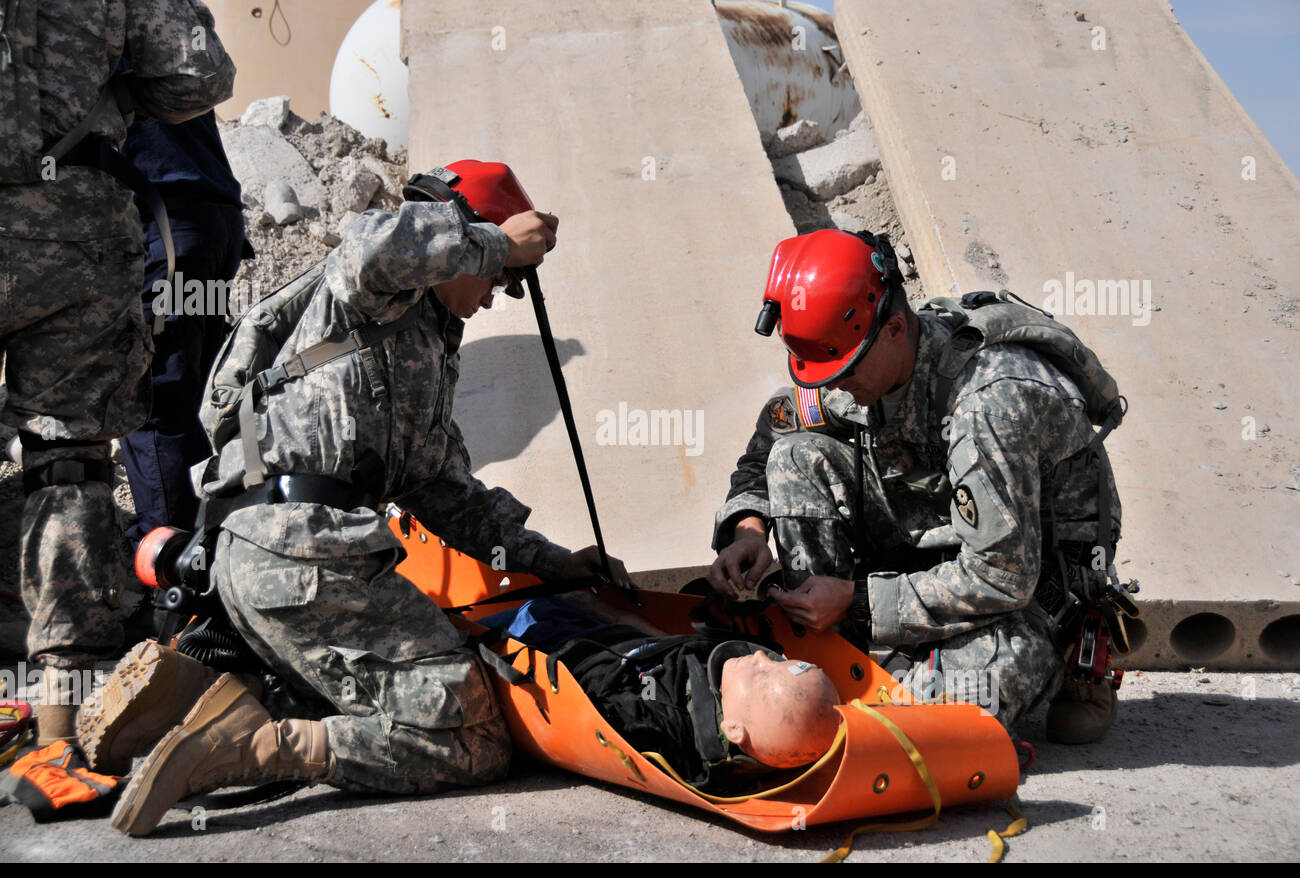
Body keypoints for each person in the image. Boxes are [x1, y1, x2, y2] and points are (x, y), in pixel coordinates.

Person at [82, 160, 634, 836]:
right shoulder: (375, 290)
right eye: (496, 277)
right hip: (306, 553)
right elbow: (377, 242)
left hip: (259, 555)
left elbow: (449, 496)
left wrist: (554, 561)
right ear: (461, 236)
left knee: (356, 681)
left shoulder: (421, 353)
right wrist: (499, 243)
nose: (495, 292)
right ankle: (252, 747)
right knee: (475, 732)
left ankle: (193, 689)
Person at [708, 228, 1125, 743]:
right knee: (797, 456)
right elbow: (771, 437)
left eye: (844, 370)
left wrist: (860, 601)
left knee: (920, 722)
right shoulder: (857, 369)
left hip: (1027, 583)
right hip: (927, 542)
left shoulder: (990, 401)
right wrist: (747, 530)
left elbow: (1002, 576)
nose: (834, 386)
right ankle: (823, 650)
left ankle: (1076, 659)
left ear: (896, 329)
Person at [0, 0, 235, 745]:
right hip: (73, 225)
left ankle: (174, 602)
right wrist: (111, 96)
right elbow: (200, 71)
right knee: (68, 466)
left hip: (167, 223)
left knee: (164, 416)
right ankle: (59, 734)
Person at [483, 593, 842, 788]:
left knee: (496, 621)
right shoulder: (721, 678)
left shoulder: (664, 727)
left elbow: (579, 711)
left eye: (764, 674)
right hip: (598, 630)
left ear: (735, 728)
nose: (761, 656)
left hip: (549, 646)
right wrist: (603, 609)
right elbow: (664, 645)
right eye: (777, 661)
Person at [118, 110, 253, 557]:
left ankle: (172, 563)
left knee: (154, 401)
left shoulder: (86, 40)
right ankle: (217, 543)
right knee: (198, 397)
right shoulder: (165, 40)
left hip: (168, 228)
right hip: (211, 228)